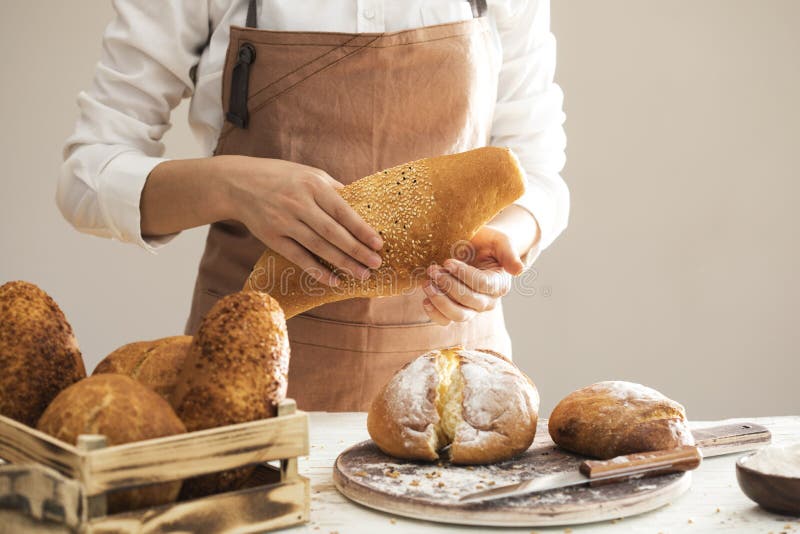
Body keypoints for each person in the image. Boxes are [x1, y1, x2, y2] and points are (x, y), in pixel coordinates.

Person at [57, 0, 569, 411]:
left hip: (458, 392)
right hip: (244, 386)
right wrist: (233, 185)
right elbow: (86, 179)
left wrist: (505, 243)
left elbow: (537, 168)